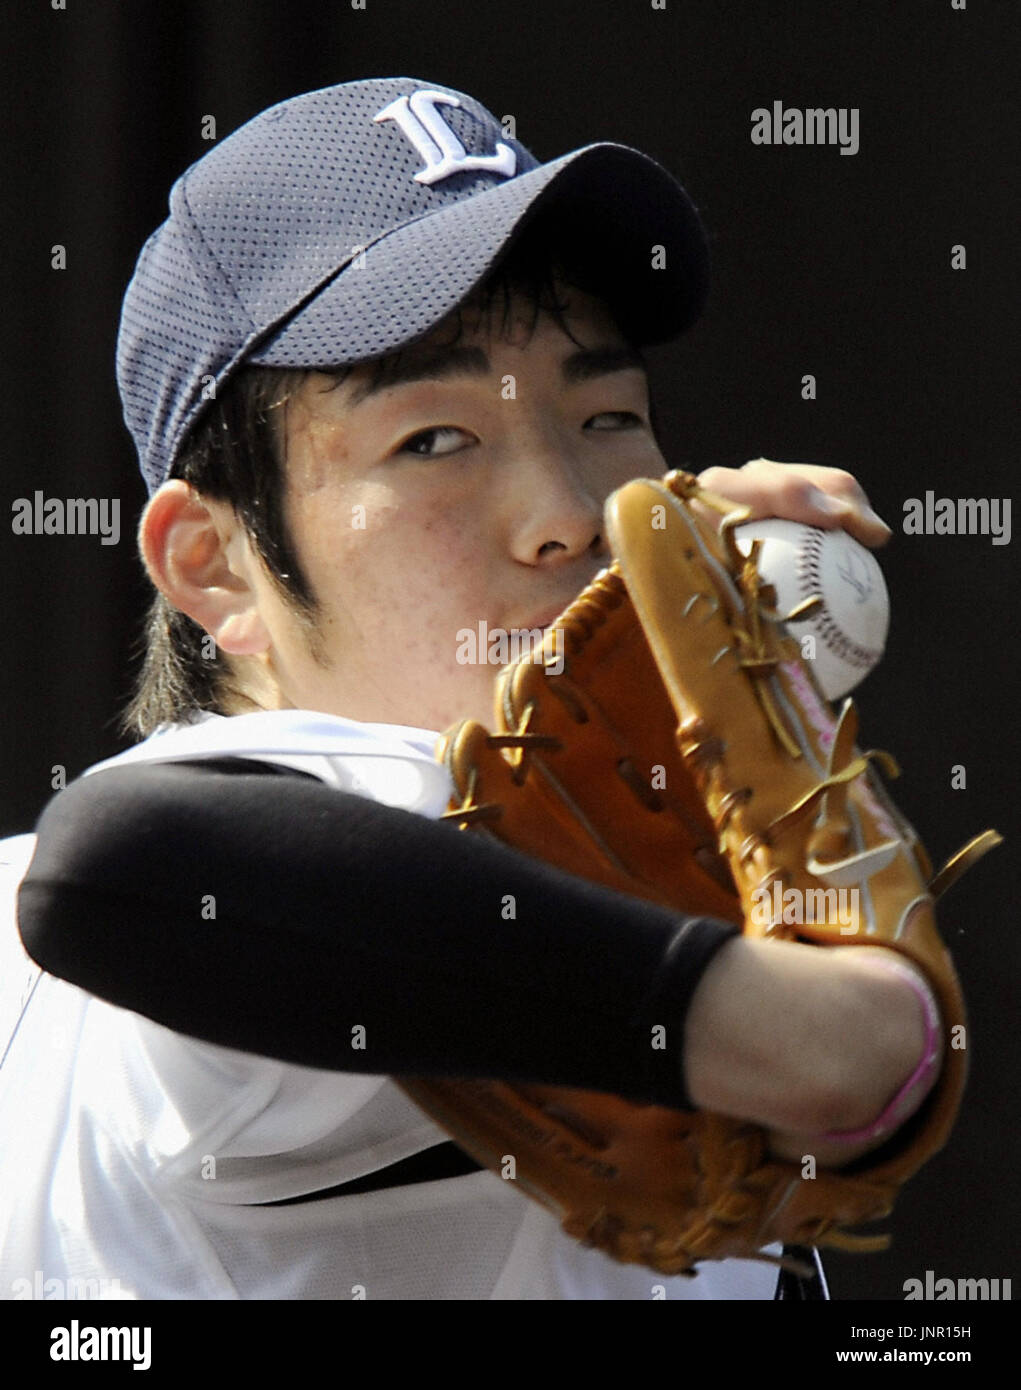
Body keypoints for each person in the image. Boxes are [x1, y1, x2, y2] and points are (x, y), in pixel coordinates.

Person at [0, 78, 935, 1301]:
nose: (569, 516)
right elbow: (127, 862)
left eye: (607, 416)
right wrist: (791, 1030)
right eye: (432, 440)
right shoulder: (289, 857)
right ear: (215, 564)